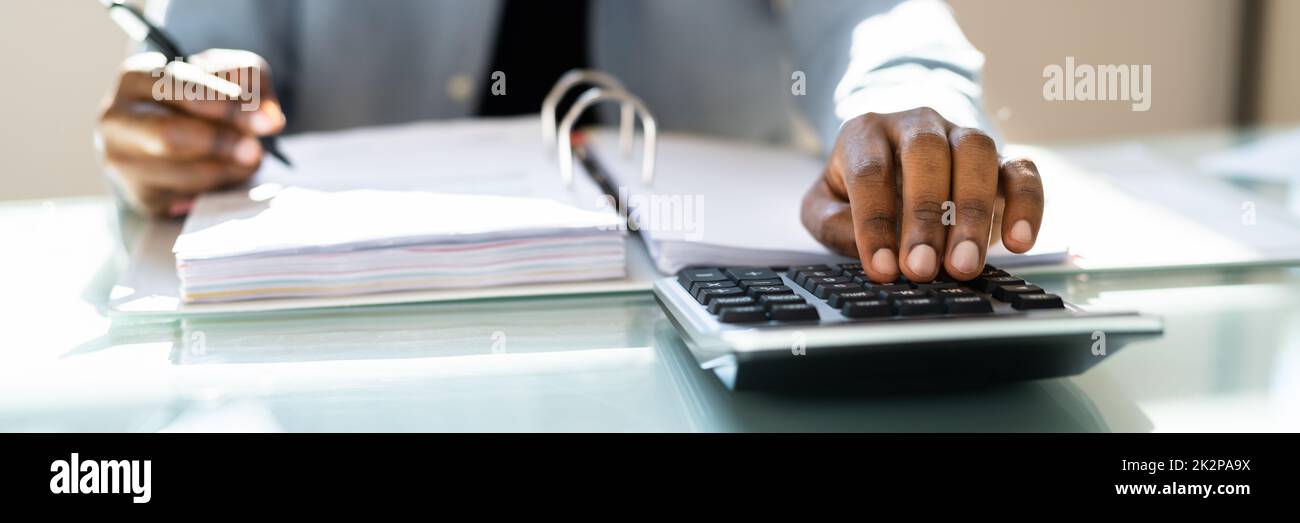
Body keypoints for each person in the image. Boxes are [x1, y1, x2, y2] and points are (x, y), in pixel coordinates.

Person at [95, 0, 1043, 284]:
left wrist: (908, 106)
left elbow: (884, 22)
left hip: (712, 321)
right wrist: (179, 111)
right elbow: (207, 48)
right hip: (341, 322)